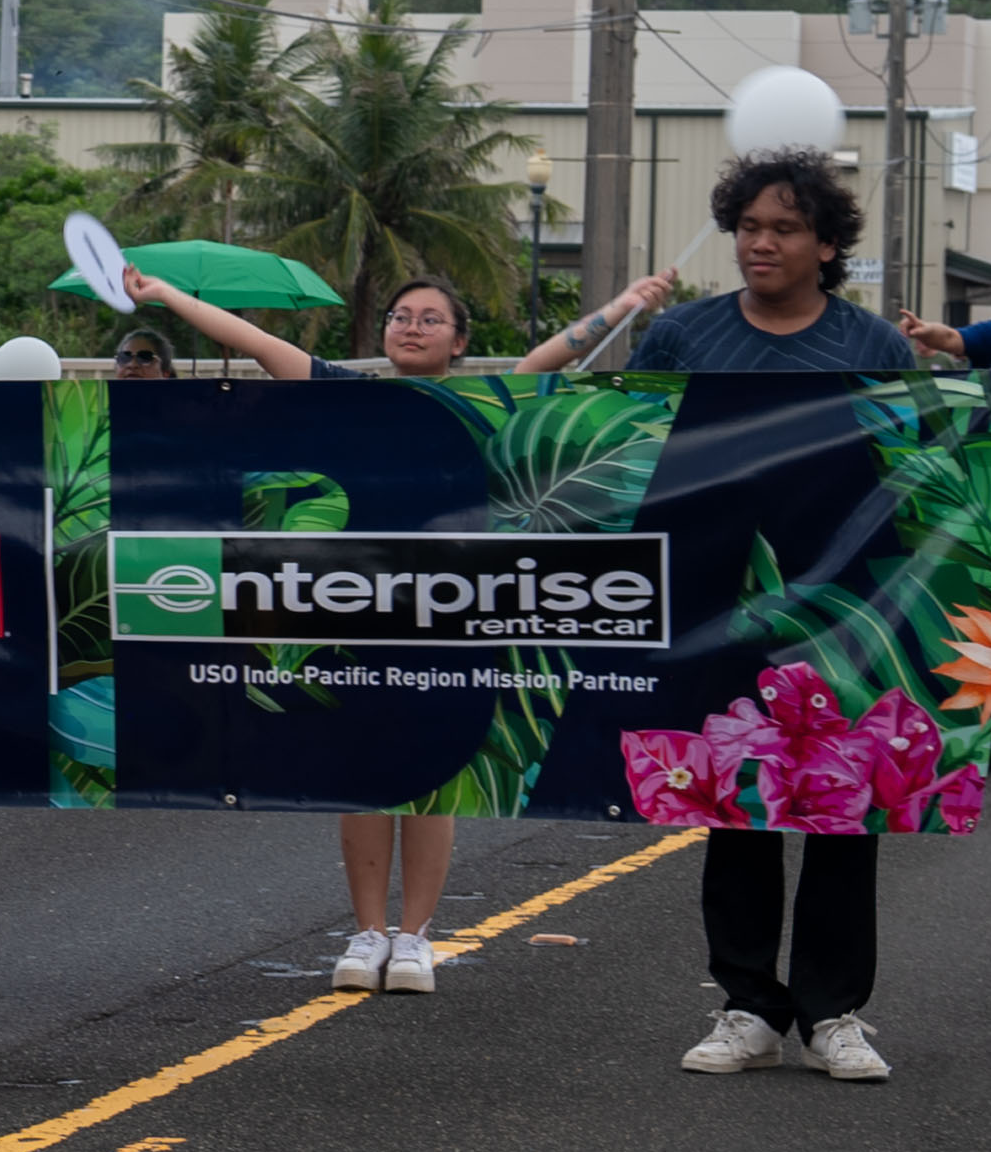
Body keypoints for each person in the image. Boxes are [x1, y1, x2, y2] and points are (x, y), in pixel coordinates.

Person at [120, 263, 636, 995]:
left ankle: (415, 938)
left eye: (430, 319)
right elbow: (259, 345)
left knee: (435, 776)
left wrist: (619, 304)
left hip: (448, 619)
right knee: (360, 773)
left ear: (458, 342)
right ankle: (365, 933)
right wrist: (165, 296)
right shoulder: (347, 396)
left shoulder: (478, 403)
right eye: (401, 316)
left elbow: (547, 359)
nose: (412, 326)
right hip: (353, 612)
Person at [556, 153, 910, 1082]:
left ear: (825, 245)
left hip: (844, 607)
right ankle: (747, 1003)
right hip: (714, 603)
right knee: (735, 791)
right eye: (748, 226)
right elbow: (632, 453)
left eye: (784, 228)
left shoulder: (872, 346)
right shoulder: (681, 337)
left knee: (843, 802)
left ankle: (834, 1012)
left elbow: (916, 468)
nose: (760, 242)